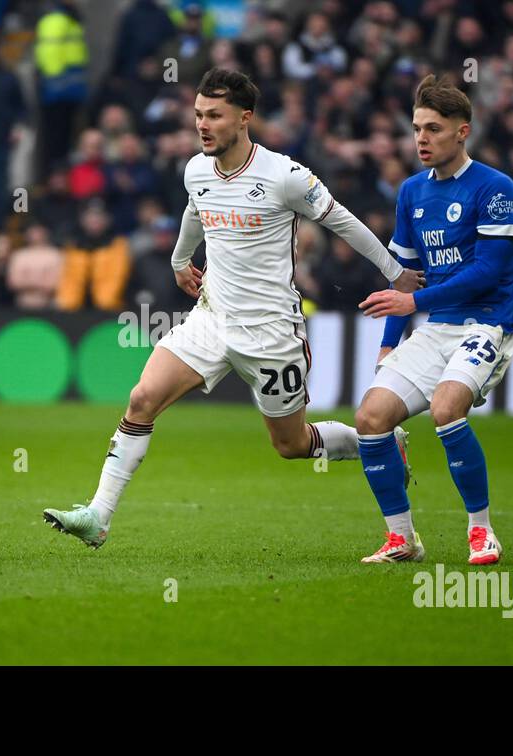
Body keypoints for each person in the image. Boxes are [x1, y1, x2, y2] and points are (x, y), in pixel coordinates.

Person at [44, 68, 422, 549]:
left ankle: (382, 444)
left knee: (291, 445)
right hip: (211, 318)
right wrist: (182, 260)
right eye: (199, 114)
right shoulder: (196, 169)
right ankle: (98, 515)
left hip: (272, 333)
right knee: (142, 400)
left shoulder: (286, 176)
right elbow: (195, 208)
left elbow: (343, 222)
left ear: (244, 118)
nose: (203, 124)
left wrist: (394, 271)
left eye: (214, 116)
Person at [353, 75, 513, 566]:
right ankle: (401, 539)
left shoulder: (496, 189)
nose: (422, 139)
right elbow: (403, 278)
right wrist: (390, 342)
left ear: (462, 131)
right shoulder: (411, 192)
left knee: (446, 408)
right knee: (370, 417)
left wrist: (418, 303)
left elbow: (488, 270)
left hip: (488, 323)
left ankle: (481, 531)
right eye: (416, 128)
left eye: (433, 128)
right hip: (435, 326)